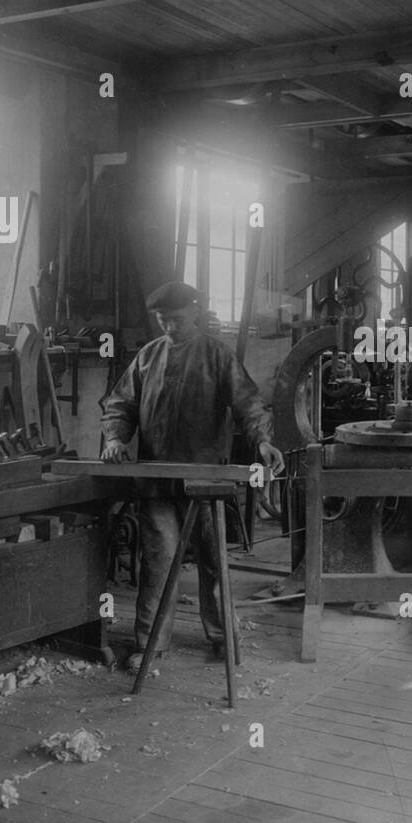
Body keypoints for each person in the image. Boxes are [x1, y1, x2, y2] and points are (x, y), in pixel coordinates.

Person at [100, 282, 285, 671]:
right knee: (157, 563)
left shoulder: (218, 356)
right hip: (157, 482)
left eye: (177, 320)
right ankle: (150, 645)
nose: (170, 326)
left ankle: (221, 637)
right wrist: (115, 438)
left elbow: (250, 404)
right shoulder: (149, 357)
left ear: (196, 312)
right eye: (163, 321)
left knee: (214, 561)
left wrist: (264, 442)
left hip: (207, 483)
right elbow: (120, 405)